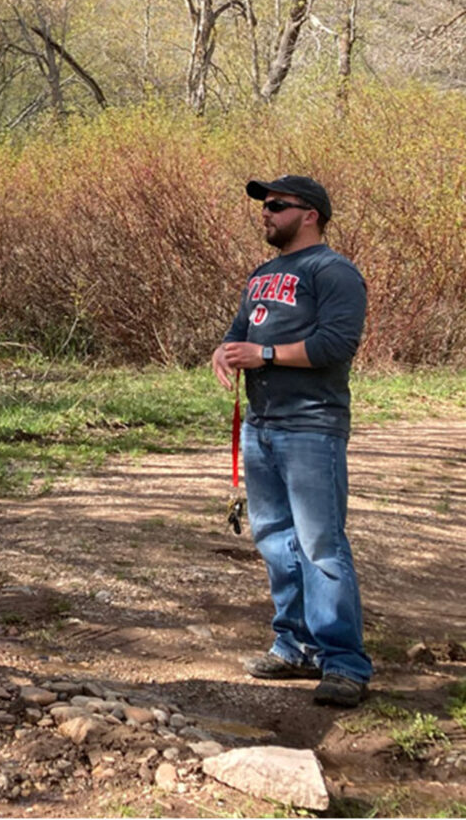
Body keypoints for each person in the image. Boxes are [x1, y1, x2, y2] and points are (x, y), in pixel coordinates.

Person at [211, 174, 371, 709]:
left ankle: (344, 663)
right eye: (264, 205)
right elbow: (242, 330)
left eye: (277, 205)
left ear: (310, 215)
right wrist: (228, 350)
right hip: (261, 425)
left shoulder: (334, 271)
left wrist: (268, 356)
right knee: (275, 539)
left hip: (311, 425)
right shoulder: (262, 275)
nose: (266, 213)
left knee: (320, 544)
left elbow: (336, 343)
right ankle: (294, 646)